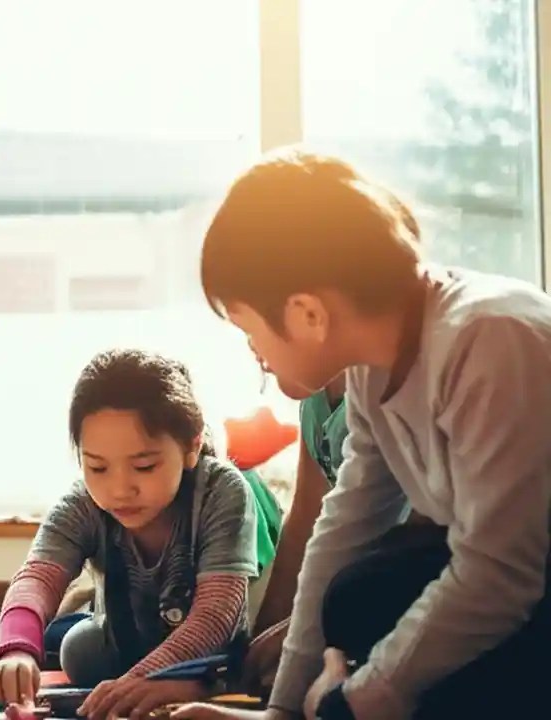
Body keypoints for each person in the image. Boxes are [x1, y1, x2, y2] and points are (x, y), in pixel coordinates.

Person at [185, 147, 551, 720]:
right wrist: (284, 708)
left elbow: (501, 570)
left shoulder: (491, 339)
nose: (254, 349)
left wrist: (354, 701)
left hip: (529, 580)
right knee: (356, 593)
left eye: (248, 328)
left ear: (307, 314)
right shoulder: (370, 365)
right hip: (518, 576)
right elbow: (346, 522)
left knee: (383, 610)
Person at [0, 349, 259, 720]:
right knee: (77, 650)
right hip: (121, 646)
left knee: (253, 667)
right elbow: (38, 578)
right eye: (97, 467)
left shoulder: (220, 491)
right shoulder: (82, 503)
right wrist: (15, 651)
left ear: (192, 447)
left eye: (144, 466)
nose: (119, 490)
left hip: (211, 658)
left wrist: (144, 679)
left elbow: (216, 614)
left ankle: (193, 685)